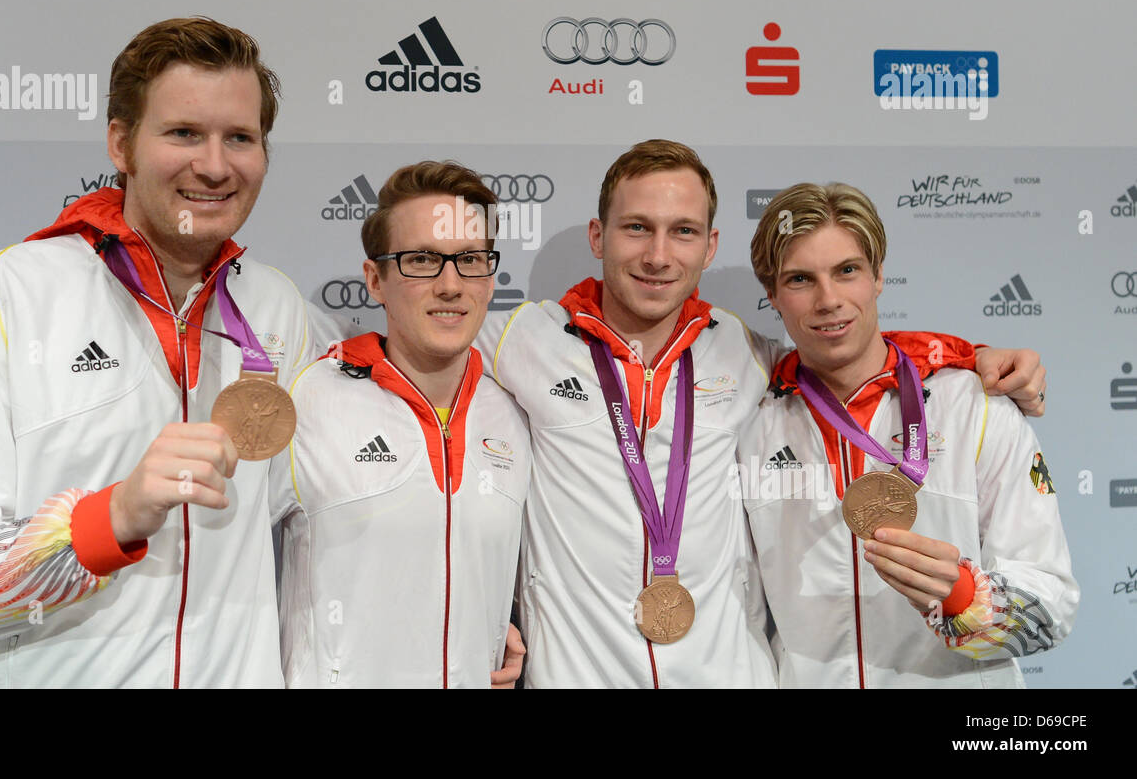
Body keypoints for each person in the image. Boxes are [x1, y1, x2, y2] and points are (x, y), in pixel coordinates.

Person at [474, 140, 1048, 688]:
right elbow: (422, 356)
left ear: (709, 245)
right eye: (636, 228)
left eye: (682, 232)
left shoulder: (746, 355)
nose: (657, 254)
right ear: (598, 236)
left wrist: (966, 357)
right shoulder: (519, 338)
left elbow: (846, 354)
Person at [0, 16, 326, 687]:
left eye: (240, 137)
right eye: (183, 133)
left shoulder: (278, 308)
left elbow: (341, 508)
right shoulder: (9, 293)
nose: (214, 164)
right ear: (121, 143)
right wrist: (111, 517)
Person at [738, 182, 1077, 686]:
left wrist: (965, 597)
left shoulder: (976, 408)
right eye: (801, 279)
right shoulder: (751, 422)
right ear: (773, 295)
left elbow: (1053, 607)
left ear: (877, 276)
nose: (829, 300)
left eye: (847, 271)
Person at [278, 162, 530, 688]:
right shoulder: (309, 399)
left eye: (470, 260)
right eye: (421, 261)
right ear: (376, 279)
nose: (450, 285)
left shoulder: (514, 413)